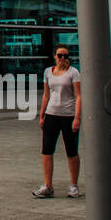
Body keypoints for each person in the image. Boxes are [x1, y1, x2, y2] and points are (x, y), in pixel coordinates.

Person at [33, 45, 81, 199]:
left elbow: (78, 96)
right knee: (47, 150)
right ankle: (48, 185)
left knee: (71, 150)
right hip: (51, 114)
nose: (62, 58)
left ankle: (74, 185)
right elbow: (46, 95)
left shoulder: (74, 72)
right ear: (54, 56)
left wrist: (77, 118)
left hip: (68, 115)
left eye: (65, 56)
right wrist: (41, 115)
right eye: (60, 55)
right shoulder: (48, 72)